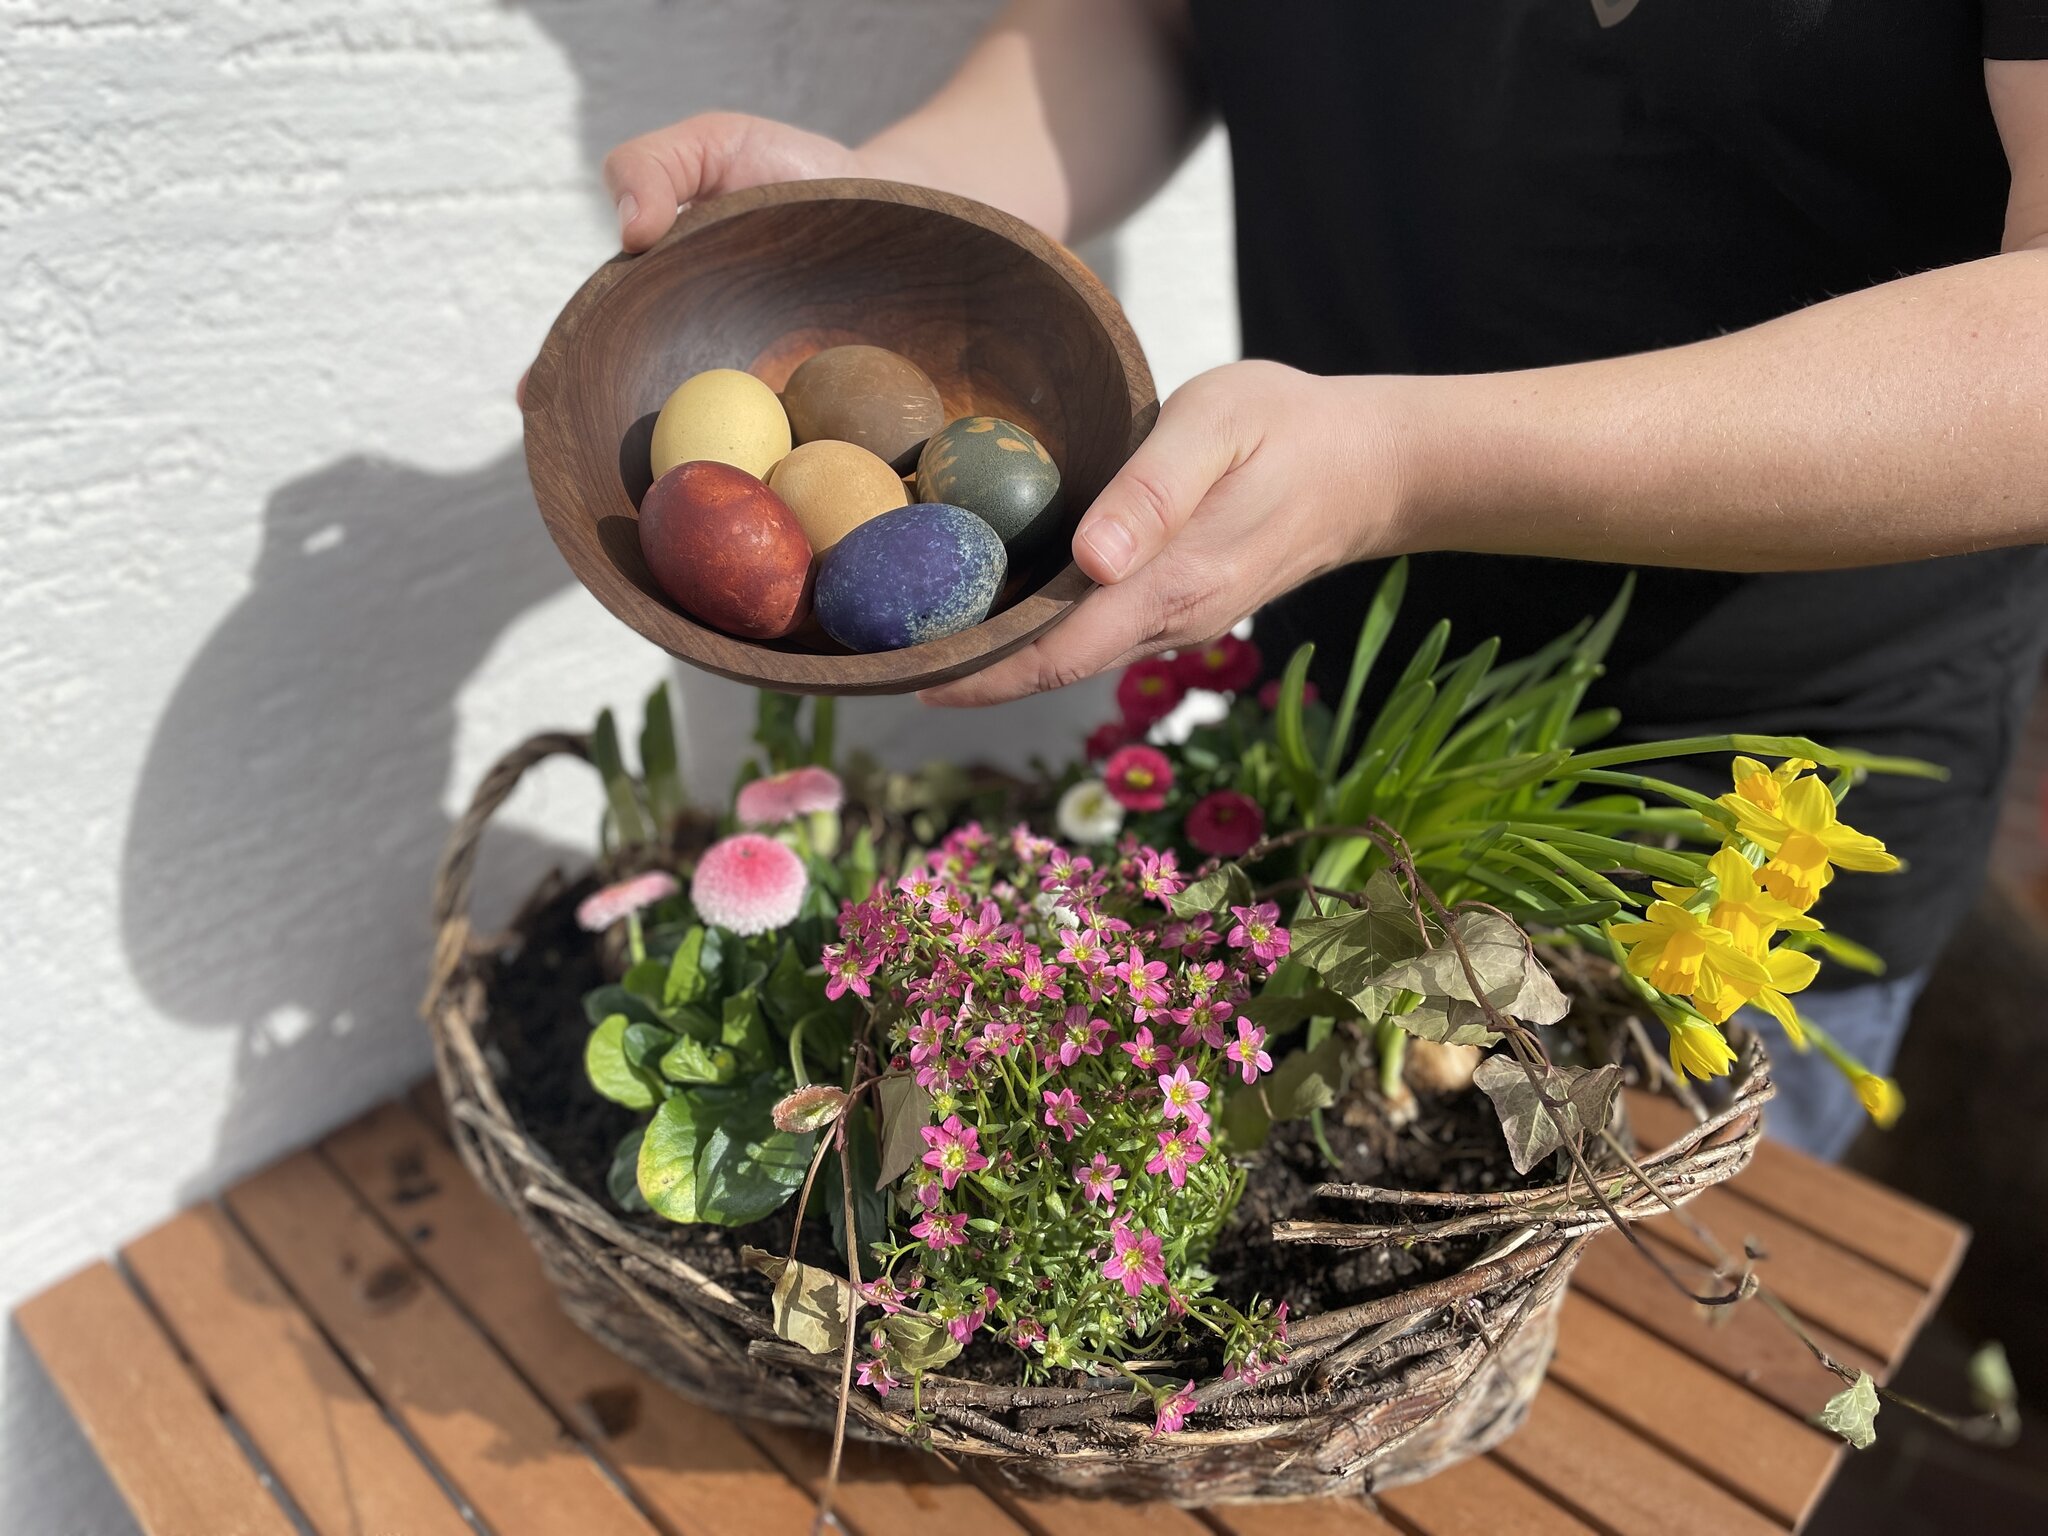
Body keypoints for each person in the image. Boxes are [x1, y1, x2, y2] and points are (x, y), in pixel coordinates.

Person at [568, 0, 2048, 1159]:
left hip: (1728, 832)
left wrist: (1401, 465)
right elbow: (1150, 17)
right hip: (1343, 731)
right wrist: (892, 210)